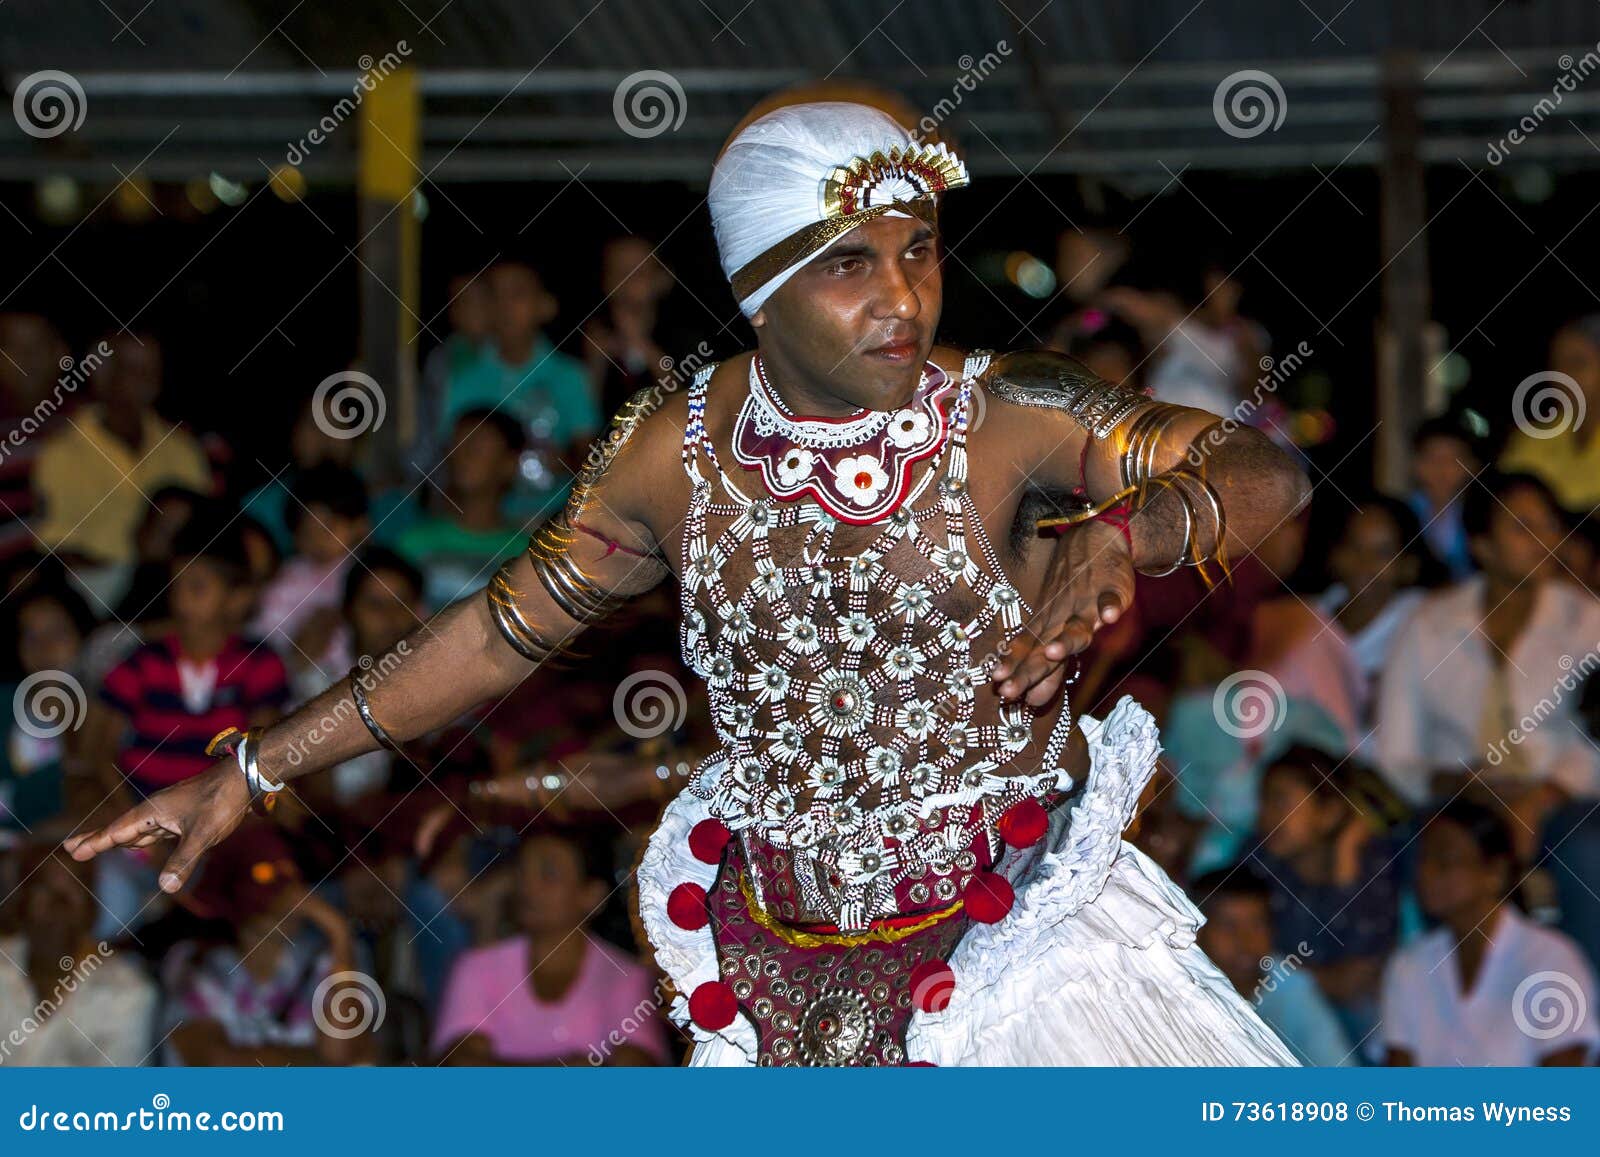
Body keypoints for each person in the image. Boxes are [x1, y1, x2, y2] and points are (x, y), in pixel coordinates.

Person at [65, 99, 1310, 1067]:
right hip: (776, 964)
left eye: (918, 250)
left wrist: (1123, 533)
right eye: (848, 264)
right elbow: (503, 629)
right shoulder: (673, 452)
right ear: (757, 294)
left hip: (1021, 956)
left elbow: (1262, 472)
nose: (901, 295)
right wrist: (256, 765)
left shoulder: (1013, 414)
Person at [1374, 471, 1600, 816]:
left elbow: (1594, 741)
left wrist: (1546, 795)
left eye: (1551, 526)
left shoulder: (1588, 622)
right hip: (1454, 810)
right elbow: (1396, 753)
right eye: (1524, 528)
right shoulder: (1427, 625)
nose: (1546, 541)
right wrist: (1451, 785)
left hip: (1561, 807)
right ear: (1483, 546)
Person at [1381, 799, 1599, 1066]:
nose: (1427, 873)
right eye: (1424, 860)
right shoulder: (1409, 965)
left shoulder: (1550, 960)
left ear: (1495, 872)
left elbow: (1563, 1094)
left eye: (1445, 861)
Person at [433, 824, 669, 1065]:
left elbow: (636, 1068)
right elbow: (460, 1065)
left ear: (592, 895)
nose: (529, 886)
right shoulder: (476, 968)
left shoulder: (624, 977)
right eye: (521, 872)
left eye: (548, 874)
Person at [159, 821, 368, 1065]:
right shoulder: (198, 963)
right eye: (265, 878)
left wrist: (339, 932)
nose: (285, 897)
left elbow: (342, 1056)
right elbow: (219, 1063)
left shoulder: (328, 959)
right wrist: (315, 1064)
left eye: (291, 876)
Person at [30, 332, 212, 569]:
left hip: (168, 586)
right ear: (102, 374)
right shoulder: (61, 453)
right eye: (132, 369)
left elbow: (205, 535)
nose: (146, 381)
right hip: (90, 589)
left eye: (152, 370)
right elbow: (50, 549)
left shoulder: (183, 449)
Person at [1251, 746, 1400, 1032]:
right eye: (1263, 801)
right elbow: (1250, 965)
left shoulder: (1371, 860)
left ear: (1329, 813)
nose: (1266, 815)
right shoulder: (1258, 861)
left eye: (1280, 802)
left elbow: (1356, 982)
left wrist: (1345, 866)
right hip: (1283, 1013)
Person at [0, 846, 158, 1065]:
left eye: (75, 888)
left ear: (93, 910)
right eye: (43, 887)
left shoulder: (128, 992)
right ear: (20, 903)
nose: (59, 902)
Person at [1192, 868, 1354, 1067]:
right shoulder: (1176, 988)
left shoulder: (1293, 989)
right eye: (1228, 926)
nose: (1246, 941)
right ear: (1197, 934)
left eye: (1257, 925)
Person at [396, 409, 529, 608]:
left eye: (477, 448)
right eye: (456, 446)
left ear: (509, 463)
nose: (463, 456)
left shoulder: (525, 553)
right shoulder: (413, 543)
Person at [249, 462, 370, 678]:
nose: (317, 540)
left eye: (328, 528)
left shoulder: (370, 572)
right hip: (300, 680)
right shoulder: (287, 576)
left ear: (360, 526)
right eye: (307, 531)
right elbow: (266, 633)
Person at [1500, 314, 1600, 508]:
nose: (1562, 376)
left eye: (1577, 364)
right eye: (1556, 365)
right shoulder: (1536, 437)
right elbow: (1503, 505)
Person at [1408, 414, 1483, 582]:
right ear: (1415, 465)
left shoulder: (1482, 515)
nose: (1442, 470)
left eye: (1452, 460)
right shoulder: (1404, 513)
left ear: (1472, 467)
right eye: (1432, 459)